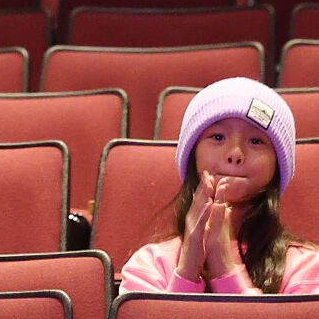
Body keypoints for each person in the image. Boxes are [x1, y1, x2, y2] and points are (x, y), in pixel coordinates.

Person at [121, 78, 319, 294]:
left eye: (256, 141)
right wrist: (187, 271)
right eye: (217, 137)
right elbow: (148, 318)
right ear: (193, 156)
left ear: (277, 165)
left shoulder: (307, 269)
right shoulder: (149, 265)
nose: (235, 154)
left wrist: (226, 271)